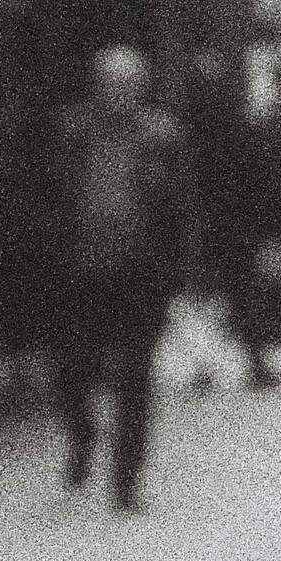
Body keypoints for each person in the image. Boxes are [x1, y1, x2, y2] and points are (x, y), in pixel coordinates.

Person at [50, 44, 193, 512]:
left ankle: (125, 480)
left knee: (134, 376)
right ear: (96, 85)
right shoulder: (72, 130)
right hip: (80, 269)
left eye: (128, 83)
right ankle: (83, 435)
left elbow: (180, 210)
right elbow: (47, 197)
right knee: (72, 366)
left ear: (141, 87)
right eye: (111, 82)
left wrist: (178, 275)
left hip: (139, 274)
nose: (119, 92)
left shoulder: (162, 136)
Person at [184, 44, 281, 388]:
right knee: (237, 293)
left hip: (212, 218)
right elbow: (257, 174)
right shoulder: (236, 118)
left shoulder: (197, 116)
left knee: (212, 294)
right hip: (233, 220)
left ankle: (207, 365)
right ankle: (248, 363)